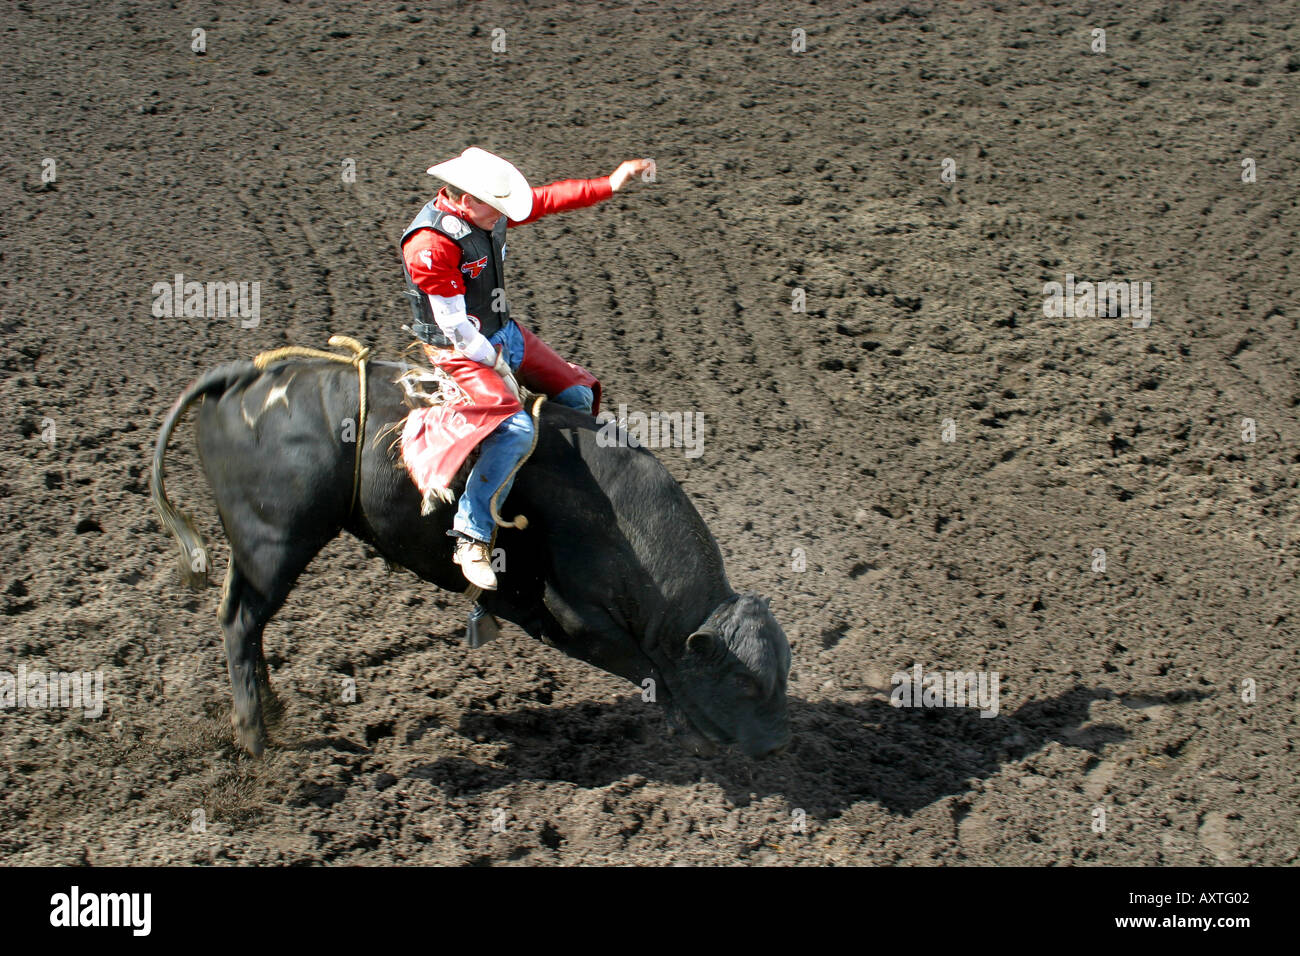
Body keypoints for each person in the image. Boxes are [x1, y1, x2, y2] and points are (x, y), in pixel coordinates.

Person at [400, 147, 655, 590]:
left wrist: (611, 183)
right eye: (495, 209)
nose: (504, 217)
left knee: (576, 396)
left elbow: (548, 199)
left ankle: (551, 490)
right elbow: (455, 327)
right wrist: (496, 363)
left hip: (502, 331)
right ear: (465, 201)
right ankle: (470, 533)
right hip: (459, 349)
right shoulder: (430, 246)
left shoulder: (488, 213)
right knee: (514, 428)